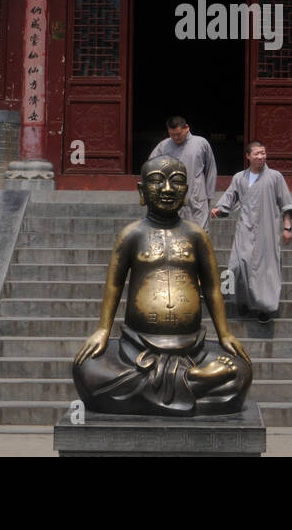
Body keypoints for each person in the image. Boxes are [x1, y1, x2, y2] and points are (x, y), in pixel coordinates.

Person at [72, 155, 251, 416]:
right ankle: (193, 382)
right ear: (142, 190)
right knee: (86, 369)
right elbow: (114, 285)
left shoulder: (196, 235)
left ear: (186, 191)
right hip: (137, 347)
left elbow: (213, 288)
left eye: (176, 182)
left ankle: (168, 386)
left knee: (242, 371)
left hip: (192, 346)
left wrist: (225, 334)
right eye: (157, 181)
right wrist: (102, 329)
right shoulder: (131, 234)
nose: (167, 189)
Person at [211, 141, 292, 324]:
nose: (261, 157)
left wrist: (287, 227)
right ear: (248, 156)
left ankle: (265, 308)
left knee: (266, 269)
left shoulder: (275, 177)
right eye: (257, 154)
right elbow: (230, 196)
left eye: (263, 153)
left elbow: (285, 202)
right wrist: (220, 209)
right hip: (245, 228)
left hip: (267, 229)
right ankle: (243, 301)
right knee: (238, 265)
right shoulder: (239, 177)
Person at [147, 115, 217, 228]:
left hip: (196, 196)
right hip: (172, 197)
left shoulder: (201, 143)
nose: (176, 137)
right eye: (172, 134)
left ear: (187, 128)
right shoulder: (163, 146)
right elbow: (151, 168)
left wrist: (209, 196)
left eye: (178, 134)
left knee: (199, 233)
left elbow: (211, 170)